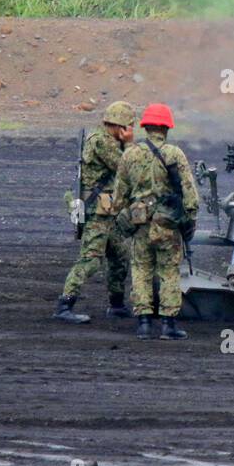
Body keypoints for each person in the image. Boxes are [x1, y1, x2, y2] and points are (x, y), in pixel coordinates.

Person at [109, 103, 199, 340]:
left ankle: (144, 324)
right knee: (169, 272)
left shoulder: (130, 154)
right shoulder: (174, 154)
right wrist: (189, 221)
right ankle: (169, 325)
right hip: (167, 226)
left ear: (145, 127)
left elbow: (119, 196)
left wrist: (122, 215)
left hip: (139, 225)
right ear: (166, 128)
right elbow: (190, 195)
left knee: (141, 270)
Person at [54, 101, 135, 324]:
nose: (130, 132)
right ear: (120, 127)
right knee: (90, 260)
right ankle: (64, 305)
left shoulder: (107, 140)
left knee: (120, 256)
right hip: (96, 213)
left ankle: (116, 305)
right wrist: (128, 145)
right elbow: (126, 168)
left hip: (108, 212)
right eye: (128, 127)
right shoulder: (101, 141)